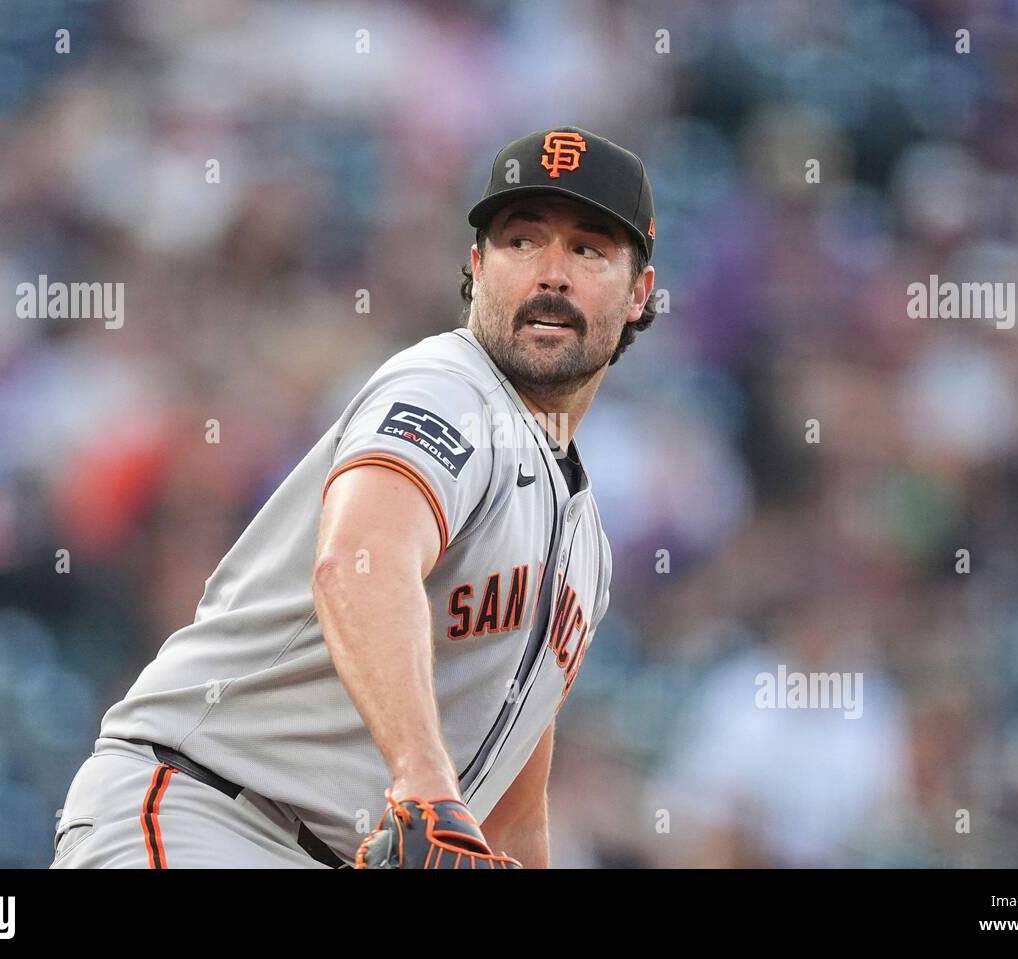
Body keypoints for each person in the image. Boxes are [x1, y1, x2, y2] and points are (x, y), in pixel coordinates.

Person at [50, 125, 657, 869]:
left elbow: (512, 812)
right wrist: (426, 783)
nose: (550, 273)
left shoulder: (586, 544)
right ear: (476, 266)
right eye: (522, 241)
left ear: (640, 293)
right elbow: (360, 562)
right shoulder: (448, 388)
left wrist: (443, 798)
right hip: (210, 813)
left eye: (588, 249)